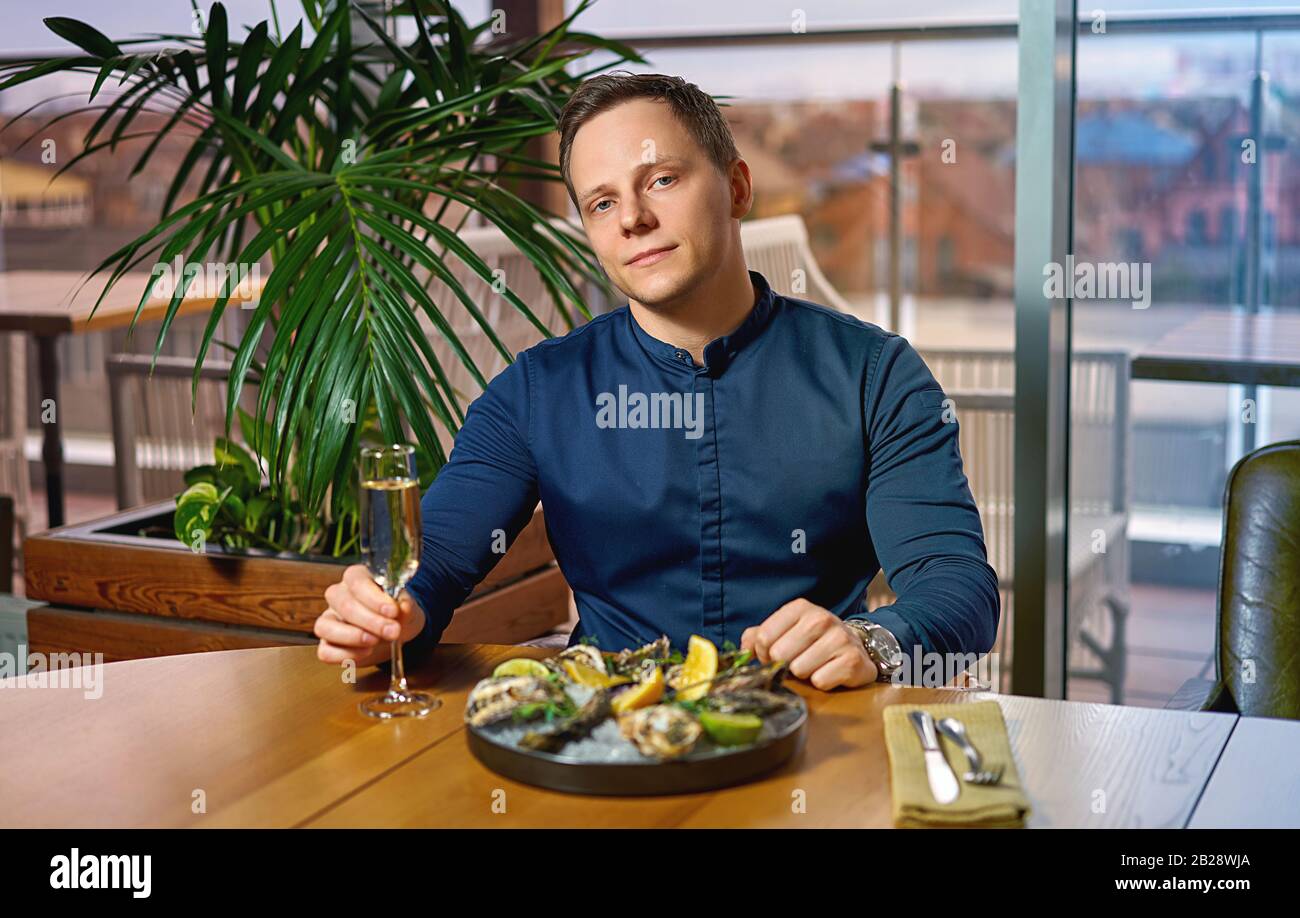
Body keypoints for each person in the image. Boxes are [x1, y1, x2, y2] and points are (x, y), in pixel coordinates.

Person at [313, 72, 999, 690]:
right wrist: (383, 618)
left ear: (737, 187)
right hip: (610, 741)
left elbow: (958, 587)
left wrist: (872, 641)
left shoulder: (875, 375)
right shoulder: (536, 391)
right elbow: (432, 567)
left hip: (814, 740)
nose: (634, 219)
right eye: (602, 203)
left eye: (661, 180)